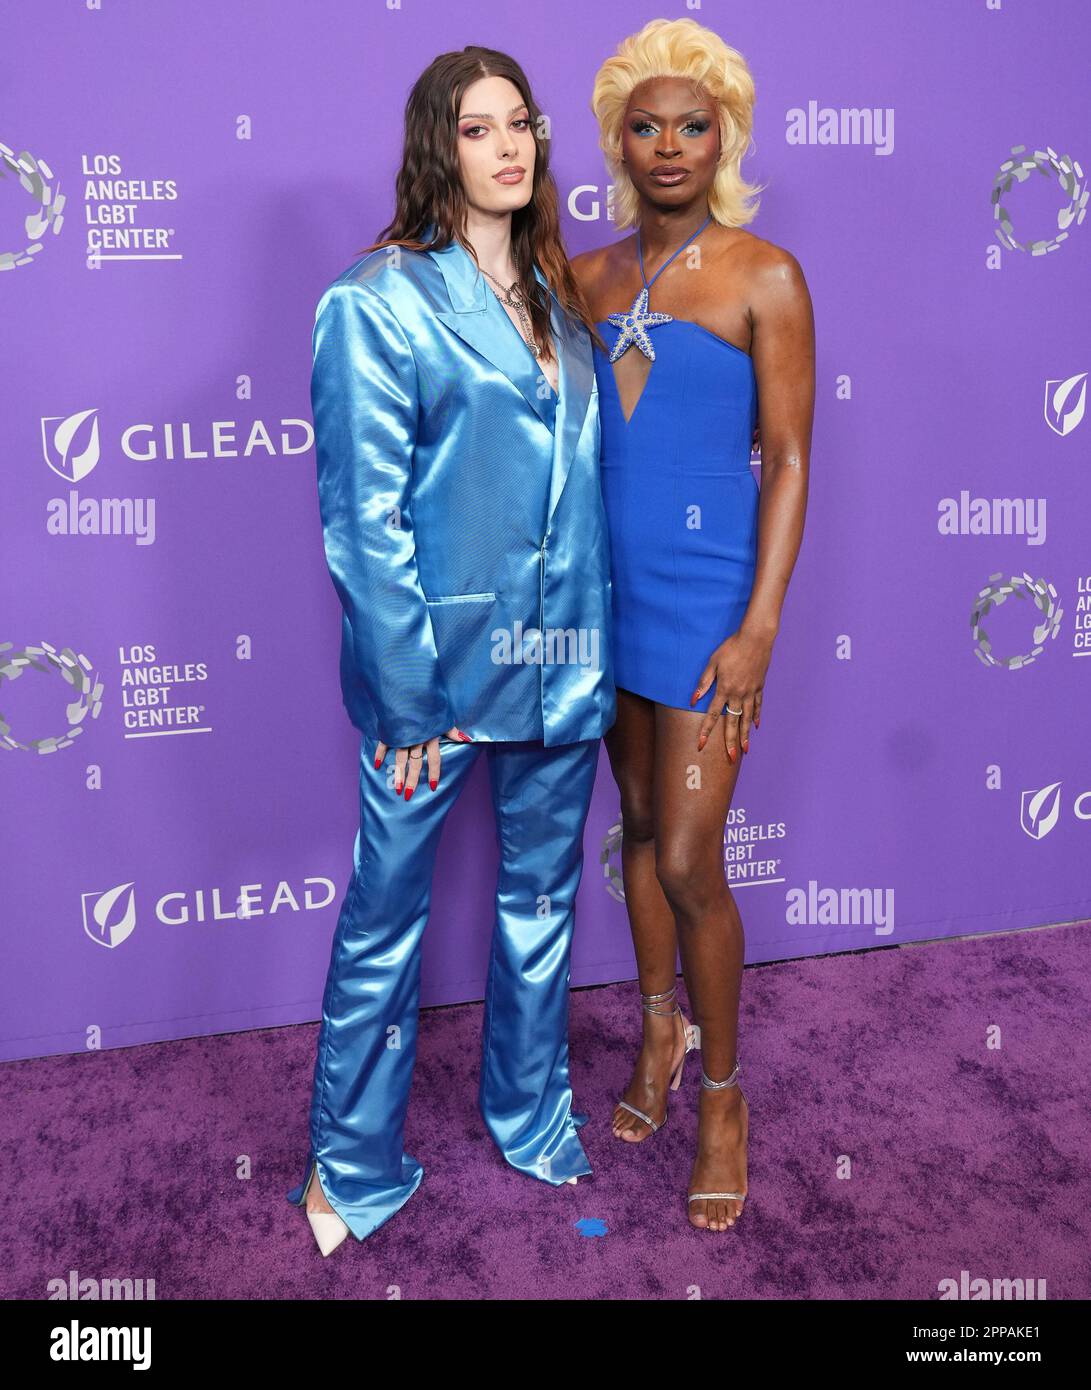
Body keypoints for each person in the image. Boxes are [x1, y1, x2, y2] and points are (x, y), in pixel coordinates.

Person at [287, 46, 615, 1255]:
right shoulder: (374, 300)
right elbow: (363, 523)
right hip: (437, 676)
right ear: (439, 146)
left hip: (561, 658)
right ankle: (349, 1166)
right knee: (386, 920)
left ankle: (529, 1114)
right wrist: (409, 700)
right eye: (478, 129)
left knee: (540, 903)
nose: (508, 146)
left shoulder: (561, 300)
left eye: (519, 123)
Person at [573, 17, 814, 1232]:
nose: (668, 145)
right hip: (599, 599)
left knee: (684, 856)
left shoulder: (765, 274)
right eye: (645, 126)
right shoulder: (583, 277)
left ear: (724, 139)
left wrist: (758, 625)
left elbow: (788, 461)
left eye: (692, 125)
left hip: (708, 600)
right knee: (631, 828)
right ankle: (656, 1030)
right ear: (616, 141)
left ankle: (722, 1096)